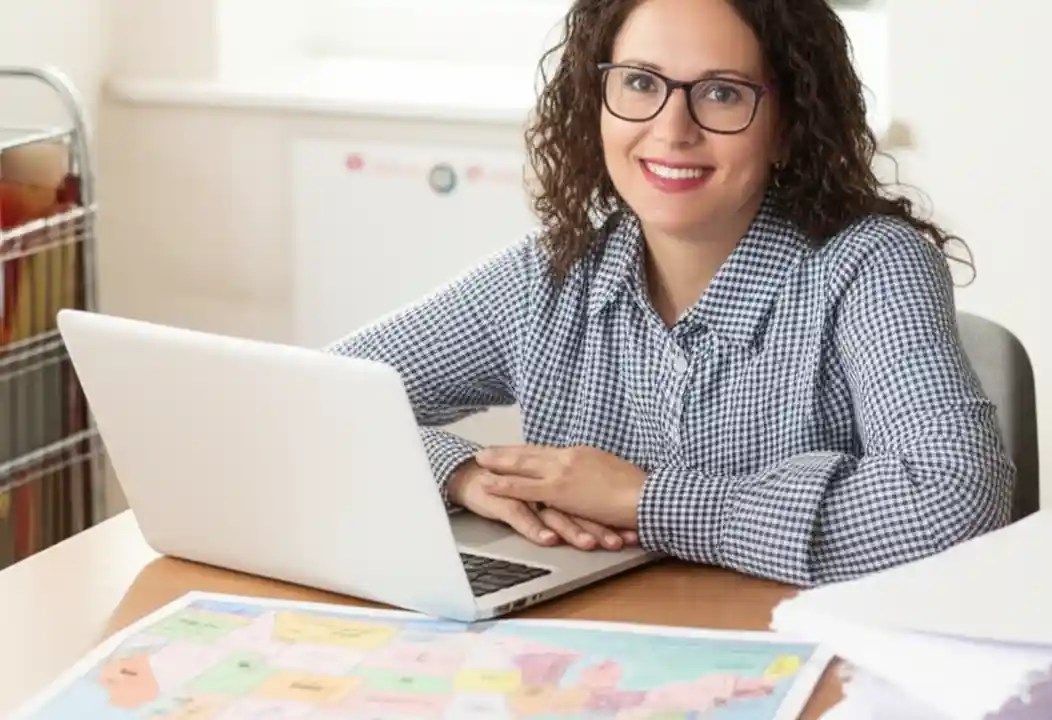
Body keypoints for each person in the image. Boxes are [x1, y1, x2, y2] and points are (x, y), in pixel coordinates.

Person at [328, 0, 1015, 587]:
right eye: (639, 83)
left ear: (789, 122)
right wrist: (462, 476)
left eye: (721, 93)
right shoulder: (549, 275)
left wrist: (646, 499)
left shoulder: (872, 267)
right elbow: (320, 402)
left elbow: (953, 506)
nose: (671, 129)